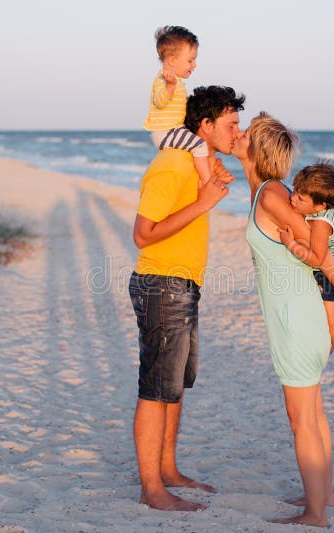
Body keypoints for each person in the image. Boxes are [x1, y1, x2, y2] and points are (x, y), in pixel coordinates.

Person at [234, 112, 334, 527]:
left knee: (300, 419)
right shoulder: (266, 192)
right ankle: (324, 495)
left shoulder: (271, 195)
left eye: (245, 134)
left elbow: (314, 244)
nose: (238, 135)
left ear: (256, 149)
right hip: (298, 316)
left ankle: (315, 514)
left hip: (296, 319)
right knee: (313, 413)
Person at [130, 85, 244, 512]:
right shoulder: (172, 165)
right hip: (161, 283)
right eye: (231, 125)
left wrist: (211, 181)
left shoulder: (197, 165)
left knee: (175, 384)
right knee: (155, 387)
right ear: (206, 125)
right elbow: (143, 234)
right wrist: (204, 202)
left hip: (183, 284)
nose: (237, 132)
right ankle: (152, 489)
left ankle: (168, 470)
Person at [278, 162, 334, 408]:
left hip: (329, 275)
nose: (293, 199)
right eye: (294, 191)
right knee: (320, 328)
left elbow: (318, 259)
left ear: (320, 206)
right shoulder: (317, 210)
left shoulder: (320, 223)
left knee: (333, 330)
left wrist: (289, 243)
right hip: (330, 272)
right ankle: (317, 363)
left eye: (300, 198)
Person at [142, 25, 213, 187]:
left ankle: (196, 180)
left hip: (172, 130)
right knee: (200, 145)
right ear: (172, 60)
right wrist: (170, 86)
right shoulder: (163, 80)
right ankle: (207, 181)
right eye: (190, 61)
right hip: (166, 132)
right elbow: (160, 102)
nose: (194, 65)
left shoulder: (175, 80)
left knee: (195, 147)